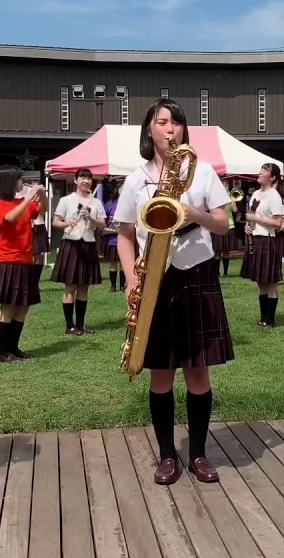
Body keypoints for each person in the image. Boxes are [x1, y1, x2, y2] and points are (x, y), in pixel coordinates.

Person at [115, 98, 233, 485]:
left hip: (196, 272)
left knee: (198, 370)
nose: (169, 129)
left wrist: (191, 212)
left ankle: (198, 454)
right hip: (156, 279)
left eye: (176, 123)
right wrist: (133, 280)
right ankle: (167, 454)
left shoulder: (203, 175)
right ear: (149, 130)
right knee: (161, 373)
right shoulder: (136, 179)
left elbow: (222, 225)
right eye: (161, 122)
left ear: (184, 131)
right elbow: (126, 236)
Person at [0, 167, 46, 361]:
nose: (22, 182)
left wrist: (41, 196)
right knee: (9, 307)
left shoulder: (22, 202)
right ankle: (3, 352)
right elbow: (9, 218)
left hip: (25, 260)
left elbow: (41, 211)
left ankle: (14, 348)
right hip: (7, 261)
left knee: (23, 306)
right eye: (19, 179)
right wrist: (29, 198)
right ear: (9, 181)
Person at [51, 168, 105, 336]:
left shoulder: (96, 202)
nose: (86, 181)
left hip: (88, 245)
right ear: (75, 180)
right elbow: (55, 222)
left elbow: (102, 223)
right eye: (82, 177)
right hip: (71, 244)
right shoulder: (67, 200)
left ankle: (81, 325)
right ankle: (70, 325)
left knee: (84, 287)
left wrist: (91, 218)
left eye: (89, 178)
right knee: (70, 286)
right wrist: (67, 223)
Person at [243, 164, 284, 327]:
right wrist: (248, 225)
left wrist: (256, 220)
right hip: (256, 239)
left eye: (264, 171)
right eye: (260, 169)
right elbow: (252, 216)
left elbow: (278, 223)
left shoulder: (274, 195)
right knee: (261, 281)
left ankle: (270, 319)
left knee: (271, 281)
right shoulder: (255, 193)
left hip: (269, 240)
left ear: (273, 177)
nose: (260, 172)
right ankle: (263, 318)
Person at [212, 178, 241, 277]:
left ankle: (225, 273)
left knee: (227, 251)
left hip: (230, 226)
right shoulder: (215, 198)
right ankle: (216, 272)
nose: (226, 188)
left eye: (227, 187)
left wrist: (231, 201)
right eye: (224, 186)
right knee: (217, 252)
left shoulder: (230, 198)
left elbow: (235, 210)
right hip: (218, 226)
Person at [100, 181, 123, 292]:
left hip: (125, 239)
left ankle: (122, 286)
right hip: (112, 240)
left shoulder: (129, 204)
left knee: (124, 263)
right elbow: (103, 224)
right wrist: (111, 231)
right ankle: (113, 286)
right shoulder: (109, 204)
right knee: (113, 264)